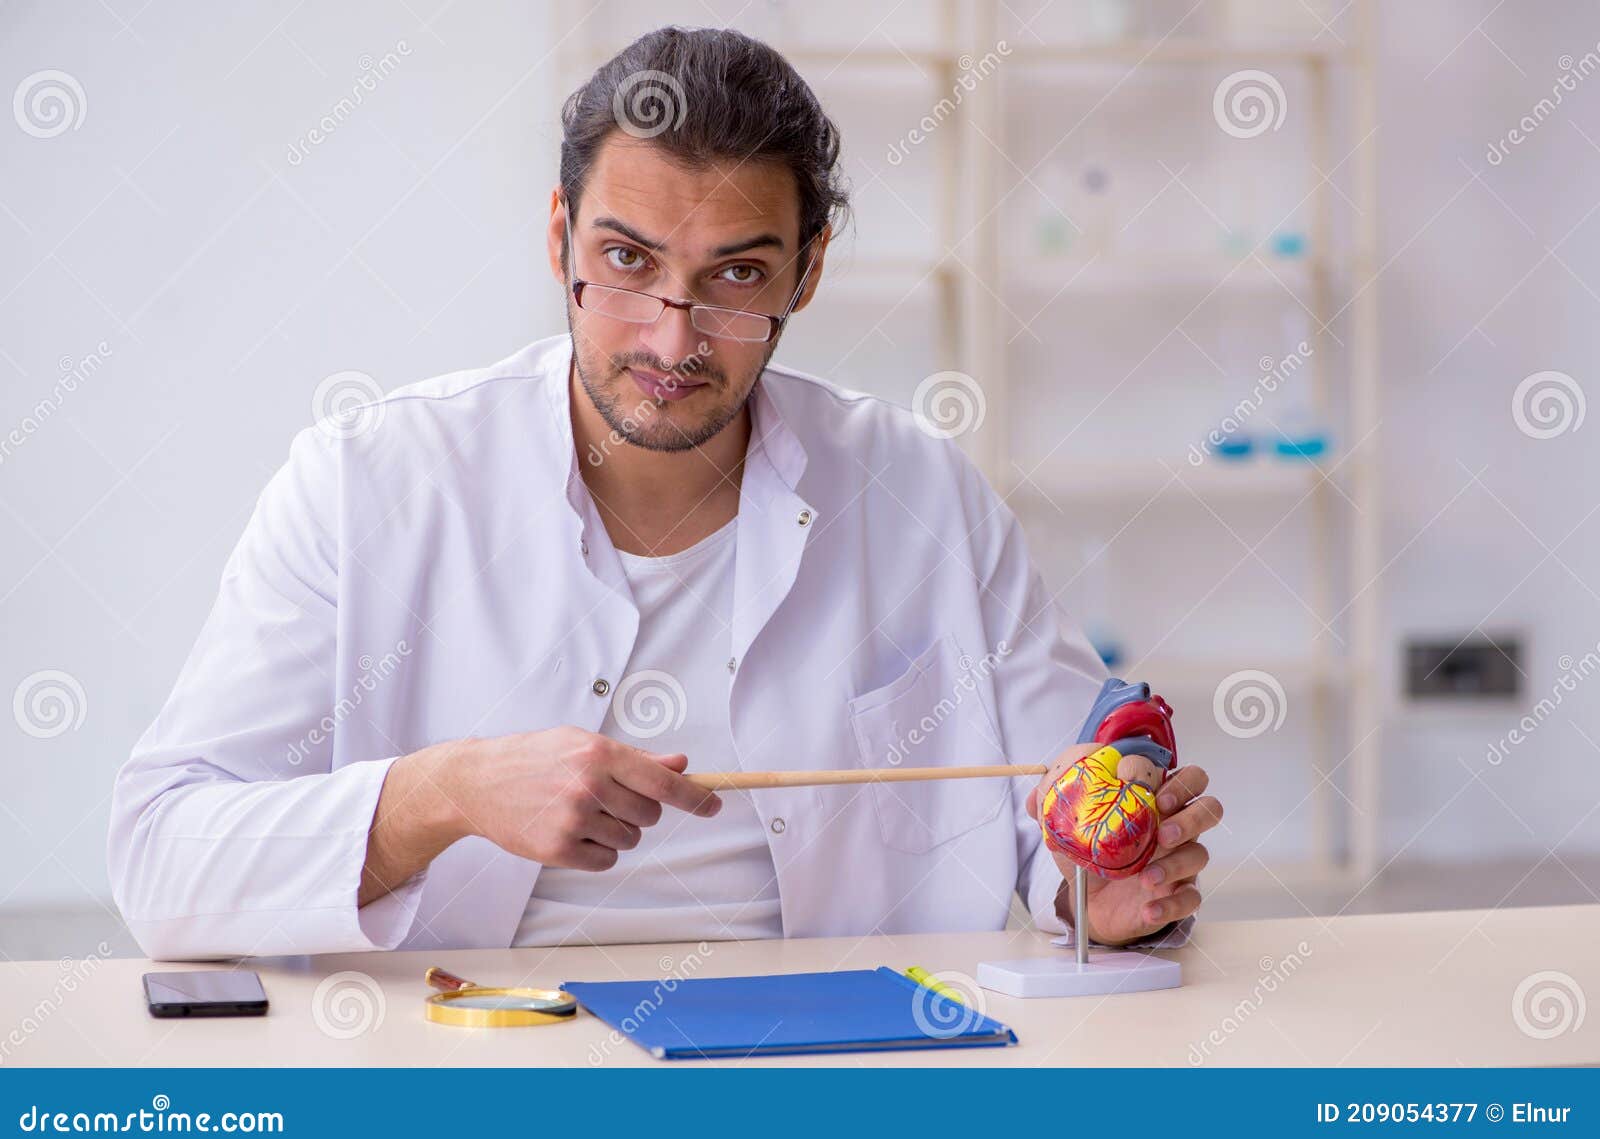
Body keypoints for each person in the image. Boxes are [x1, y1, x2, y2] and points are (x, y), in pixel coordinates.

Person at [107, 25, 1221, 960]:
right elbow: (161, 861)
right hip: (479, 1067)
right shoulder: (368, 485)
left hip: (845, 1060)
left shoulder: (921, 491)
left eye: (736, 274)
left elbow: (1063, 806)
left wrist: (1105, 894)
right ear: (560, 238)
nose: (672, 338)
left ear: (807, 272)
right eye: (628, 262)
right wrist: (439, 795)